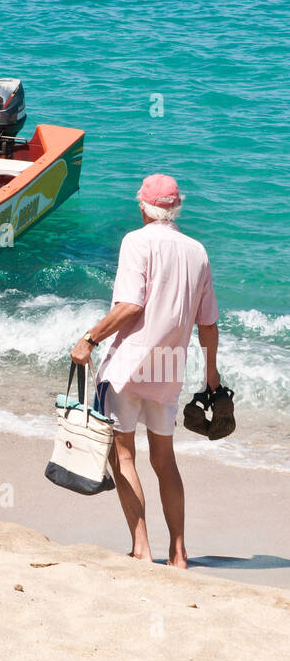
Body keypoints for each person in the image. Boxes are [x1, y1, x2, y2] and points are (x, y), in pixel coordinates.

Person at [70, 174, 220, 570]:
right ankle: (179, 553)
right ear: (176, 208)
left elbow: (130, 307)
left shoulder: (136, 242)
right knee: (165, 460)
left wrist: (89, 338)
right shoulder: (198, 251)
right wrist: (211, 374)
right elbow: (208, 325)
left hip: (130, 365)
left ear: (142, 206)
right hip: (170, 367)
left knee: (123, 455)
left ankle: (141, 547)